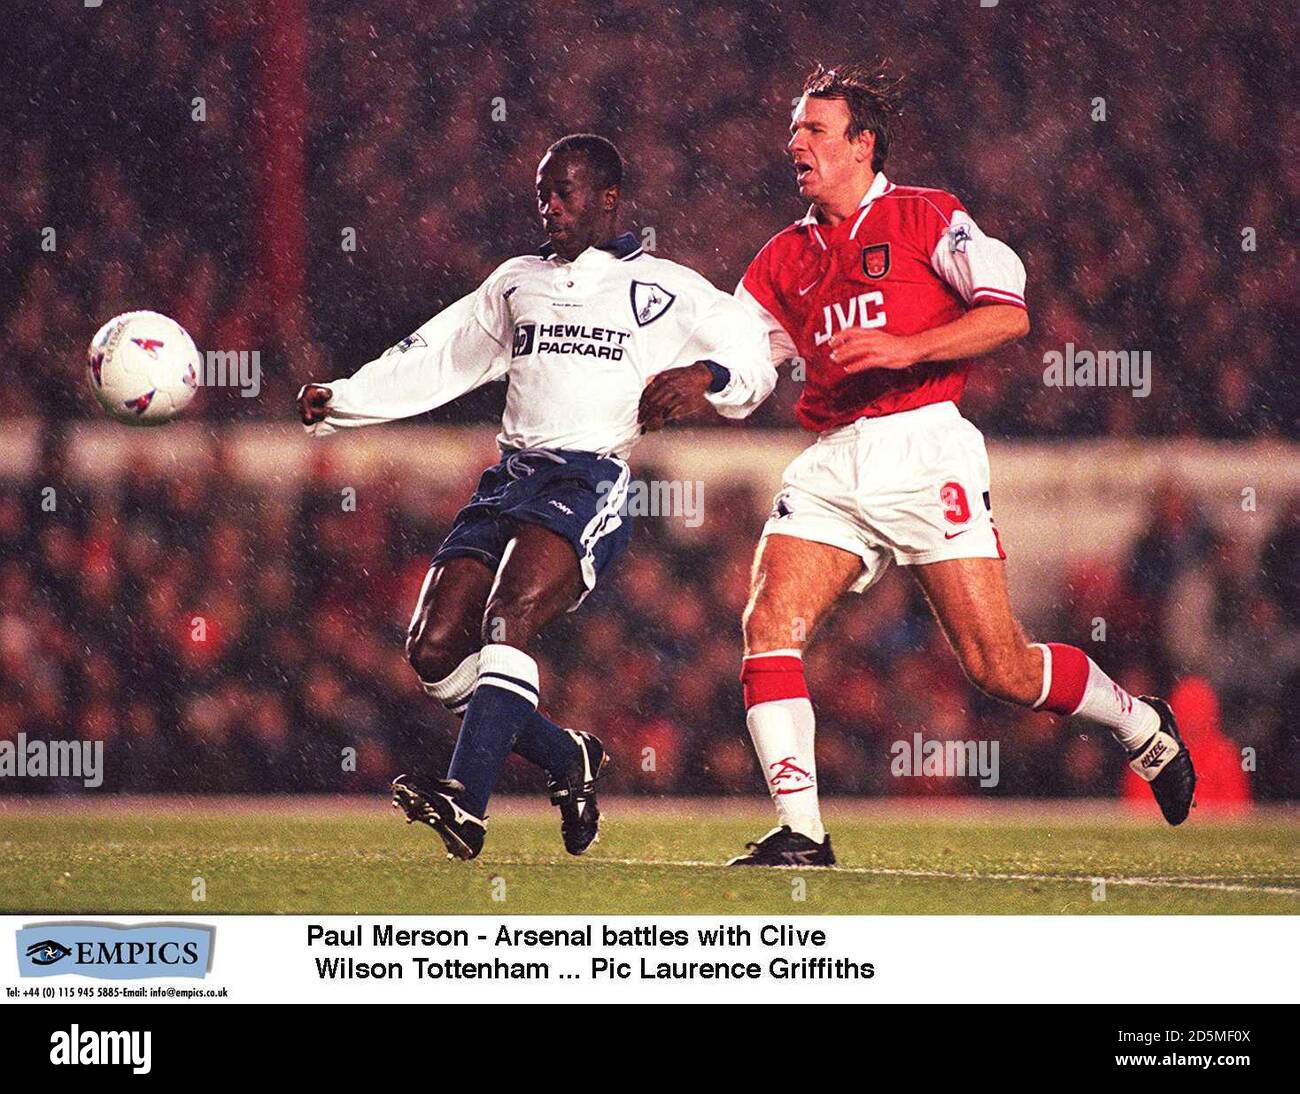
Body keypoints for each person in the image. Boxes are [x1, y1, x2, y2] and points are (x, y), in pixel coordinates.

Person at [727, 64, 1196, 867]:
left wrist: (906, 346)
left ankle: (1138, 722)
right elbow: (740, 371)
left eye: (813, 129)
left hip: (923, 444)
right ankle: (802, 833)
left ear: (862, 143)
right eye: (795, 129)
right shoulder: (779, 260)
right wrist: (687, 380)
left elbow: (1007, 315)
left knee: (999, 668)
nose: (794, 143)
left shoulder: (926, 216)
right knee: (768, 626)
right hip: (833, 460)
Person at [298, 134, 774, 861]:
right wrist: (344, 399)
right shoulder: (516, 281)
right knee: (431, 650)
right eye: (542, 193)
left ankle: (466, 802)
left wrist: (707, 375)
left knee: (508, 614)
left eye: (564, 191)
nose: (548, 206)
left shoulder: (668, 287)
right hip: (509, 478)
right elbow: (438, 352)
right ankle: (565, 758)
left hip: (588, 479)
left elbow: (754, 356)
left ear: (608, 197)